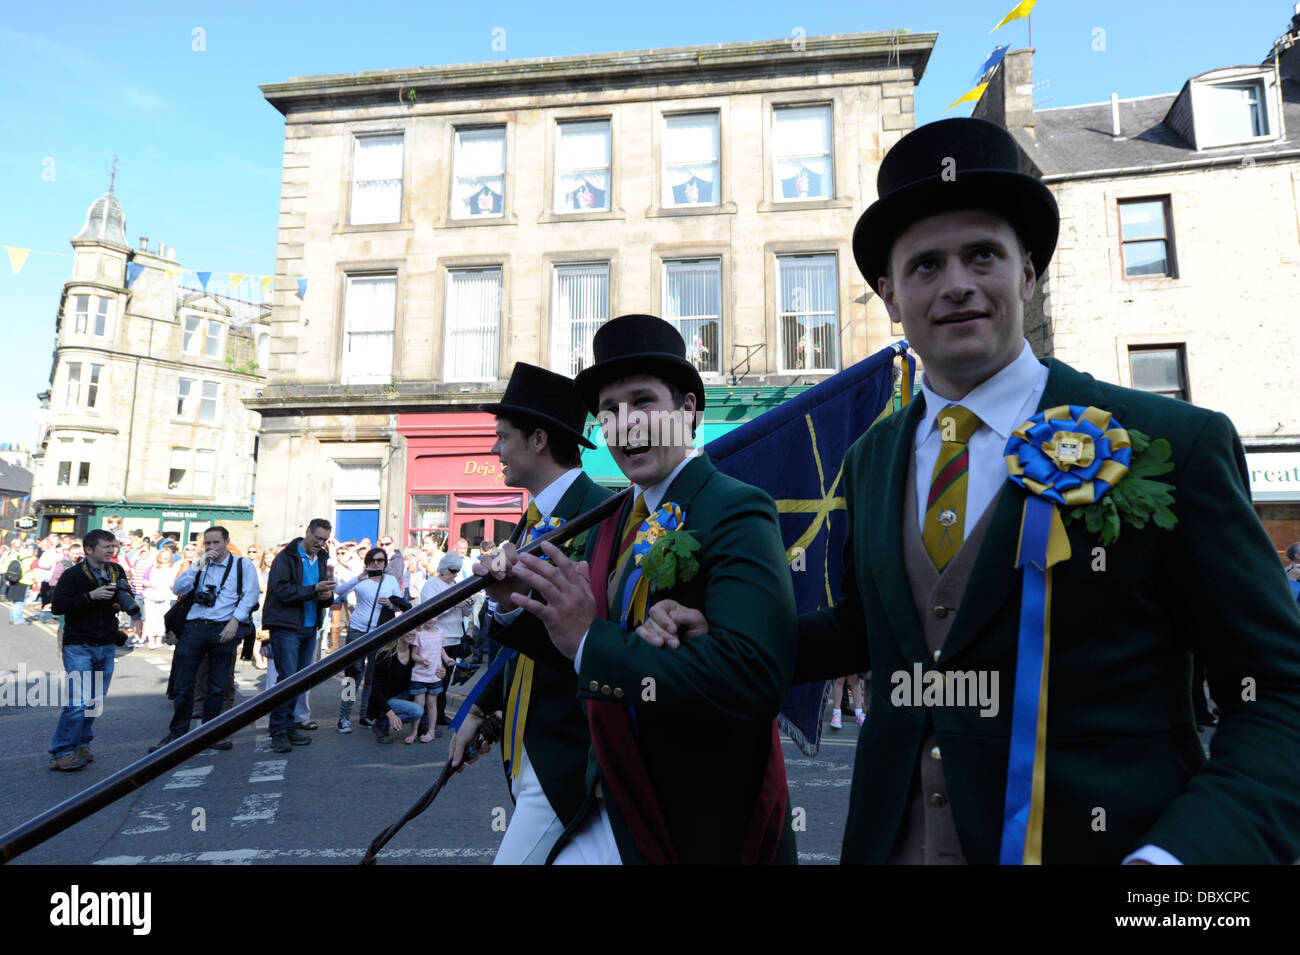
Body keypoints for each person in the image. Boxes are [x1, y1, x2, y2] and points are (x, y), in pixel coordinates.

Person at [645, 118, 1300, 865]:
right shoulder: (870, 458)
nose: (956, 282)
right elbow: (873, 630)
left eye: (982, 254)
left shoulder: (1173, 442)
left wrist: (1175, 865)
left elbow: (1277, 696)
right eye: (925, 265)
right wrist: (728, 634)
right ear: (891, 298)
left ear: (1027, 274)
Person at [481, 315, 799, 864]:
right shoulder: (615, 517)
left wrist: (588, 637)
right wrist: (517, 605)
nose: (626, 425)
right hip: (609, 791)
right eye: (610, 411)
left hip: (691, 813)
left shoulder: (734, 506)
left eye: (643, 402)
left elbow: (754, 675)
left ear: (689, 413)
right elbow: (586, 648)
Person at [450, 361, 610, 864]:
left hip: (570, 750)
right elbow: (521, 643)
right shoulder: (531, 520)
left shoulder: (602, 517)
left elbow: (586, 642)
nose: (494, 449)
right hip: (524, 745)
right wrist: (481, 705)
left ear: (538, 439)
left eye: (502, 436)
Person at [48, 529, 143, 770]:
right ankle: (62, 752)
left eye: (113, 546)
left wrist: (119, 601)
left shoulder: (116, 570)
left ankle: (81, 744)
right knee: (78, 701)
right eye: (106, 547)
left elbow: (126, 594)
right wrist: (91, 595)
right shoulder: (73, 575)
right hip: (79, 645)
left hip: (105, 645)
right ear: (88, 550)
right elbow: (57, 606)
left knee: (94, 701)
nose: (111, 550)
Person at [261, 519, 336, 754]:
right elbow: (280, 590)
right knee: (287, 679)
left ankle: (290, 725)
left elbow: (322, 593)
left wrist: (326, 597)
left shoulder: (322, 557)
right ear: (308, 532)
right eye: (318, 538)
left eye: (325, 540)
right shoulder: (286, 557)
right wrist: (313, 591)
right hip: (287, 626)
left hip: (310, 625)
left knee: (300, 681)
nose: (320, 543)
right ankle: (278, 732)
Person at [333, 547, 412, 733]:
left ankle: (365, 715)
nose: (376, 563)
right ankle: (343, 718)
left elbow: (399, 604)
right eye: (373, 560)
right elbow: (339, 590)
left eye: (381, 561)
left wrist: (391, 603)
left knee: (373, 677)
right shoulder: (361, 579)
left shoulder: (391, 580)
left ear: (385, 563)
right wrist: (358, 578)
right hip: (358, 632)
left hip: (380, 633)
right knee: (352, 675)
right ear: (367, 562)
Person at [411, 553, 466, 741]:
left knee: (445, 679)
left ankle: (439, 714)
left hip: (455, 636)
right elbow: (430, 610)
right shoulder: (431, 585)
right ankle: (424, 720)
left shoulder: (455, 585)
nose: (455, 575)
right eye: (452, 571)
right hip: (435, 639)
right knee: (431, 679)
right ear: (443, 569)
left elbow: (463, 611)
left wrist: (467, 604)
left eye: (457, 571)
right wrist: (454, 604)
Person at [366, 630, 426, 744]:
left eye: (415, 629)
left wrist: (440, 670)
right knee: (417, 711)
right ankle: (382, 723)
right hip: (386, 699)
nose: (412, 632)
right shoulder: (385, 655)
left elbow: (428, 667)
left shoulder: (415, 652)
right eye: (408, 629)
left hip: (405, 695)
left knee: (426, 691)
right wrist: (391, 714)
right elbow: (375, 692)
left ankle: (422, 727)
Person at [142, 546, 179, 649]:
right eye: (164, 555)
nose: (165, 557)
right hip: (152, 596)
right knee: (151, 618)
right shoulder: (153, 567)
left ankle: (159, 639)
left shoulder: (174, 568)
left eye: (168, 555)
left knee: (162, 619)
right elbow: (143, 580)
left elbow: (177, 581)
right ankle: (151, 640)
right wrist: (150, 584)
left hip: (167, 596)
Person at [8, 541, 38, 625]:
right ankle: (18, 620)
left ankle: (13, 617)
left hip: (14, 580)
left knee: (15, 601)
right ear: (35, 551)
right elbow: (36, 573)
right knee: (20, 602)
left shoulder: (19, 556)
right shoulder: (33, 559)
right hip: (24, 581)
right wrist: (37, 584)